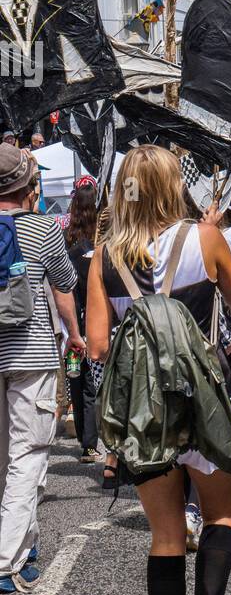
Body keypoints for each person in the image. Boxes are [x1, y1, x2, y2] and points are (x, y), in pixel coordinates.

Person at [86, 146, 231, 595]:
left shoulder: (103, 255)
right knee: (220, 519)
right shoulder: (204, 241)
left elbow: (98, 345)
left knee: (165, 536)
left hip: (144, 415)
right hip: (204, 401)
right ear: (171, 187)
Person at [0, 145, 83, 594]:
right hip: (30, 357)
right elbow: (65, 284)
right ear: (28, 188)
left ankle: (25, 543)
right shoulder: (43, 229)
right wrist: (74, 333)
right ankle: (6, 561)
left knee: (4, 458)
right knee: (28, 453)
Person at [64, 178, 102, 469]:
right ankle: (92, 442)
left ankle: (85, 439)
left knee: (77, 379)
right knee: (93, 384)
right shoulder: (101, 249)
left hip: (71, 327)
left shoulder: (68, 244)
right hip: (96, 326)